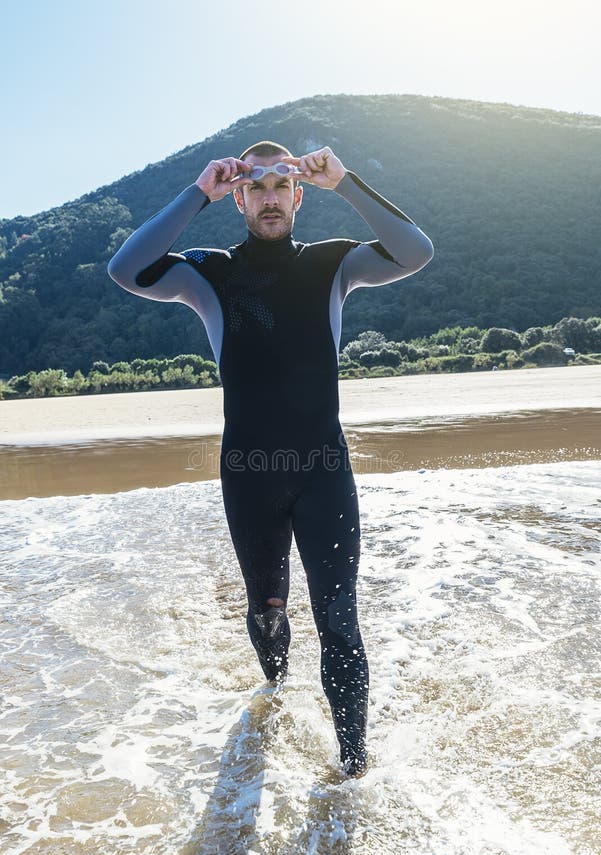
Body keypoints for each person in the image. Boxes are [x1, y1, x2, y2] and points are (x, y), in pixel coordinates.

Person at [107, 141, 434, 777]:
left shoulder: (332, 264)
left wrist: (347, 182)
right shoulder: (210, 272)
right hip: (249, 476)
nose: (269, 198)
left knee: (339, 618)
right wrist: (198, 191)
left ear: (299, 196)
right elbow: (127, 268)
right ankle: (276, 691)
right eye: (255, 187)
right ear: (239, 201)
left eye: (281, 185)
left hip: (323, 470)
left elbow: (415, 251)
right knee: (267, 609)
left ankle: (353, 771)